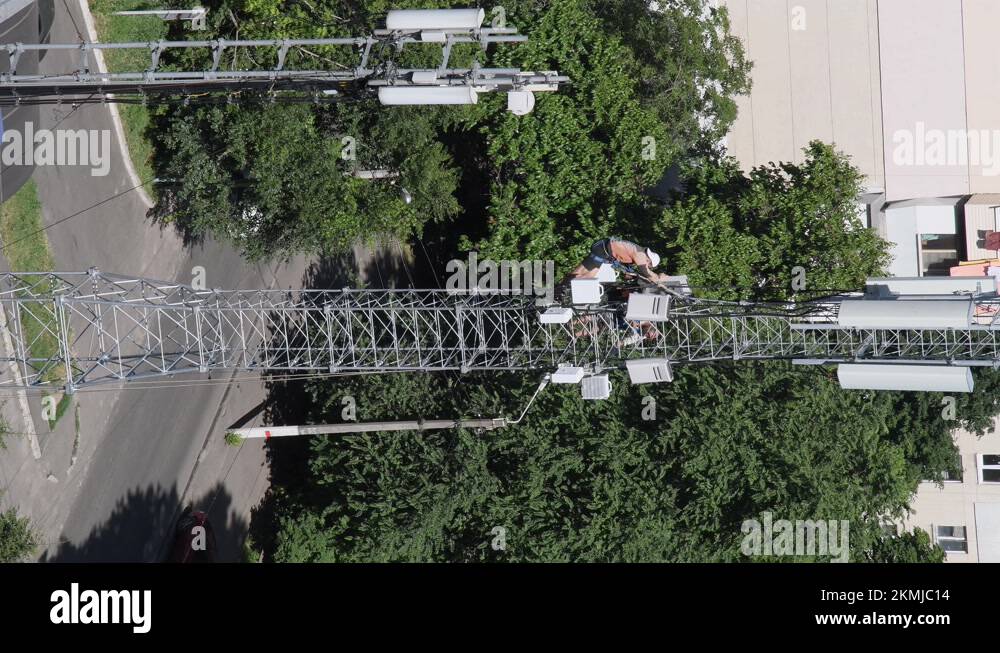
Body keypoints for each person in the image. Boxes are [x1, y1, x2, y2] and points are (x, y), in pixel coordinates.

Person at [569, 237, 668, 283]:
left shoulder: (638, 251)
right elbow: (646, 272)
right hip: (603, 250)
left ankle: (559, 289)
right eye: (649, 265)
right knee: (587, 278)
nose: (648, 266)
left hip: (602, 247)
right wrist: (658, 278)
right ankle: (563, 291)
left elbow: (634, 272)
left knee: (578, 273)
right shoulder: (641, 254)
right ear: (649, 260)